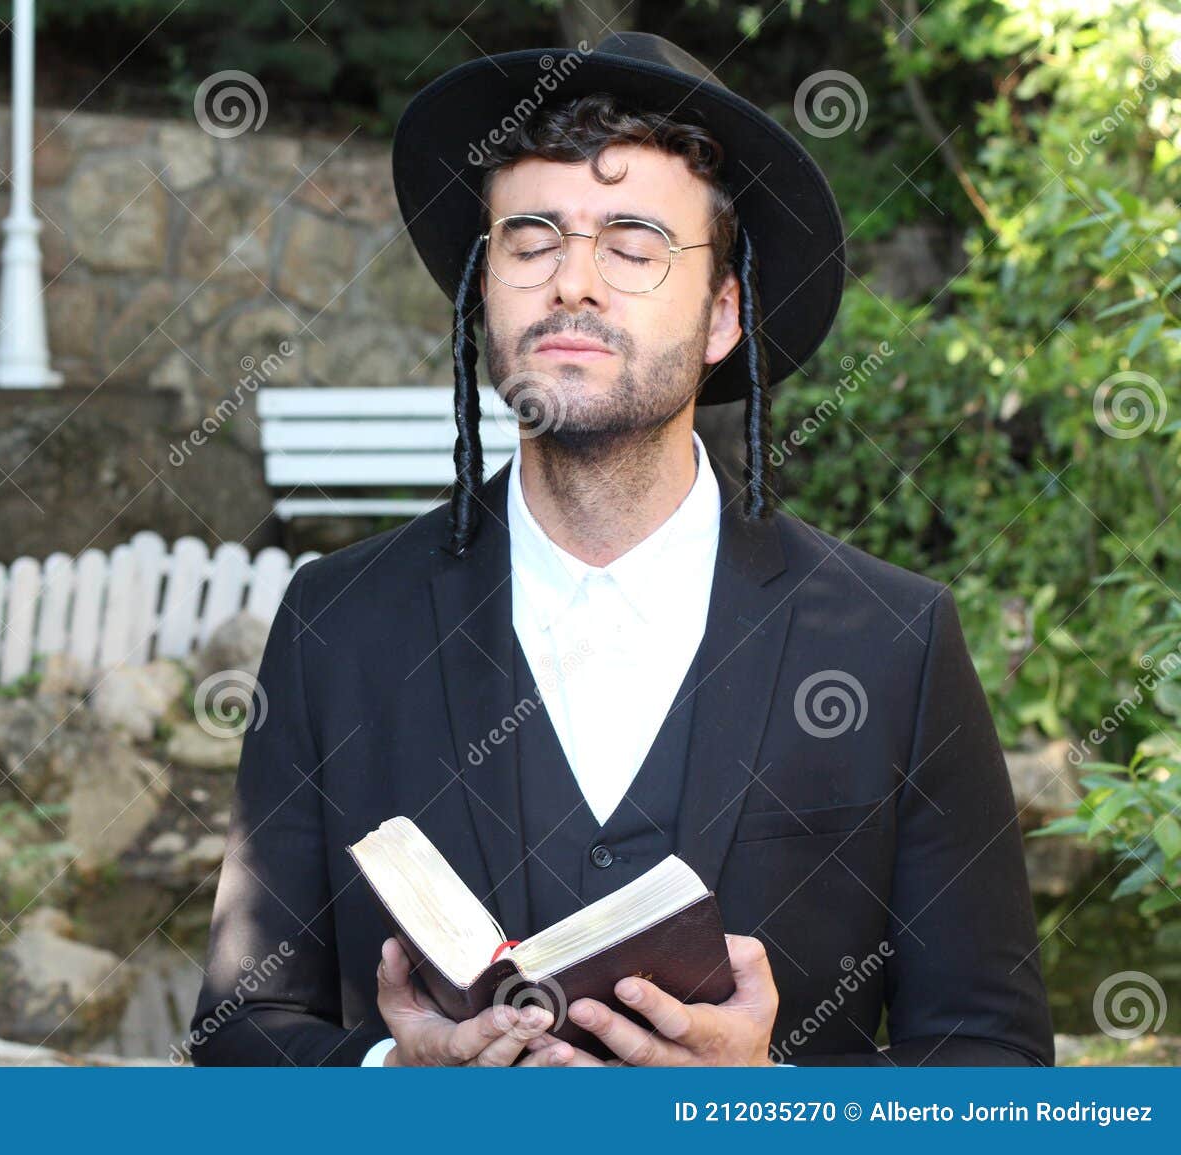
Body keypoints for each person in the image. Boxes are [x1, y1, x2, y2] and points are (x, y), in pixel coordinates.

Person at [188, 31, 1053, 1067]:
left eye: (634, 243)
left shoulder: (891, 642)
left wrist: (774, 1104)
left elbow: (992, 1061)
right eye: (531, 239)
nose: (573, 283)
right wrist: (391, 1083)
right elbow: (239, 1028)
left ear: (725, 311)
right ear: (482, 288)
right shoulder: (338, 623)